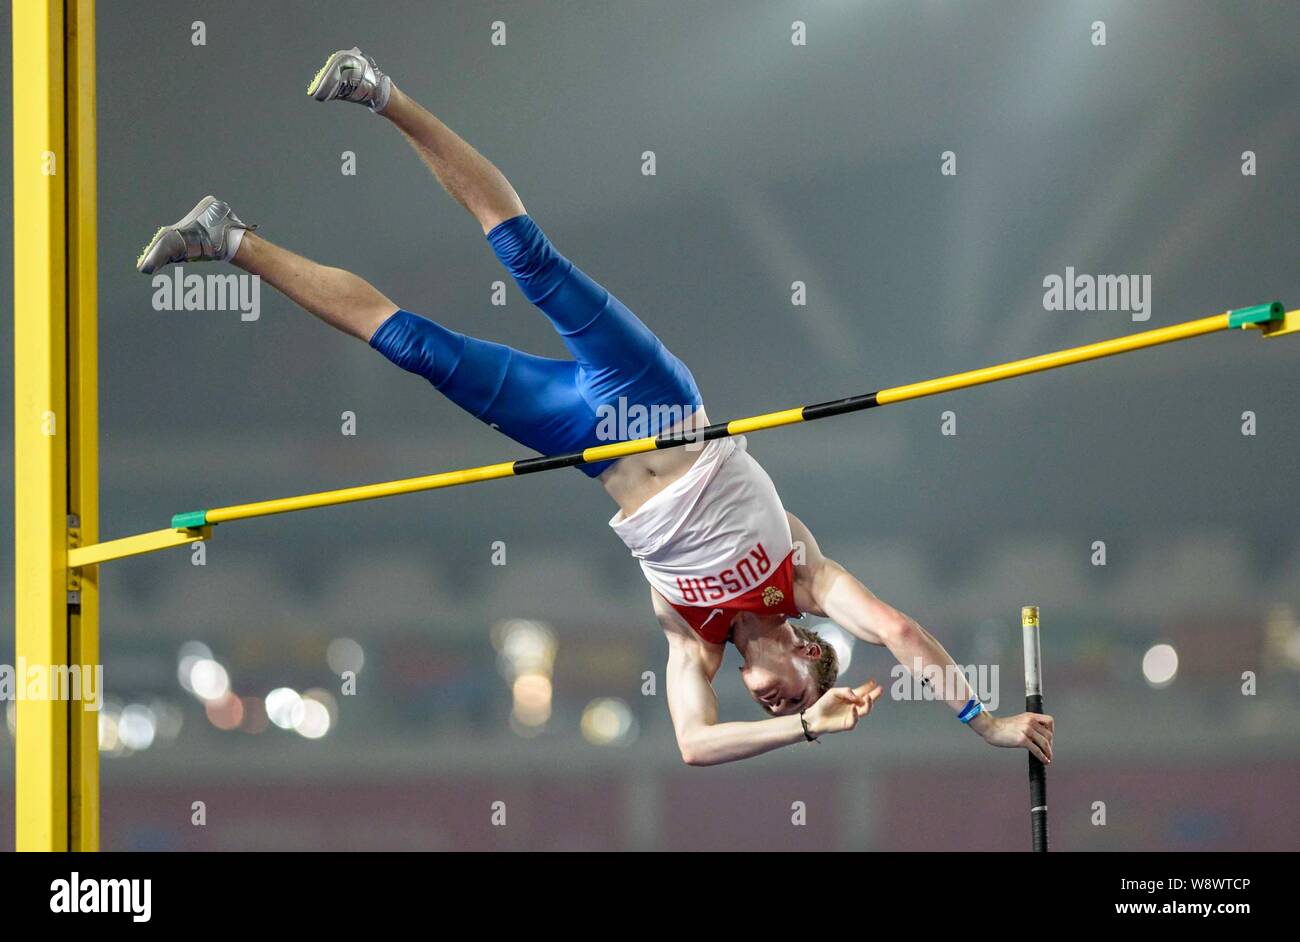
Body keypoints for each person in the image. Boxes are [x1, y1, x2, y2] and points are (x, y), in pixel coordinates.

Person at [138, 48, 1054, 767]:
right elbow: (897, 632)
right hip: (659, 403)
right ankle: (380, 92)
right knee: (529, 259)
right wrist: (986, 724)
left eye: (780, 709)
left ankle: (231, 238)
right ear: (812, 653)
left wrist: (807, 730)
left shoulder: (691, 642)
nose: (777, 702)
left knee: (414, 348)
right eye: (793, 695)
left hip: (589, 442)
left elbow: (695, 746)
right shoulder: (808, 578)